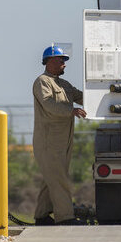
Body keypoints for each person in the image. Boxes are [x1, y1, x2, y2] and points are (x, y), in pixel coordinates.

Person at [32, 45, 86, 225]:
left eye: (64, 60)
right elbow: (49, 105)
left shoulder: (64, 84)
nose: (64, 64)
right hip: (49, 140)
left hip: (64, 139)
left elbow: (83, 97)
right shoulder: (42, 82)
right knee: (59, 178)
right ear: (49, 61)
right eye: (61, 60)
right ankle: (65, 217)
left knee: (52, 177)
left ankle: (41, 216)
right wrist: (72, 111)